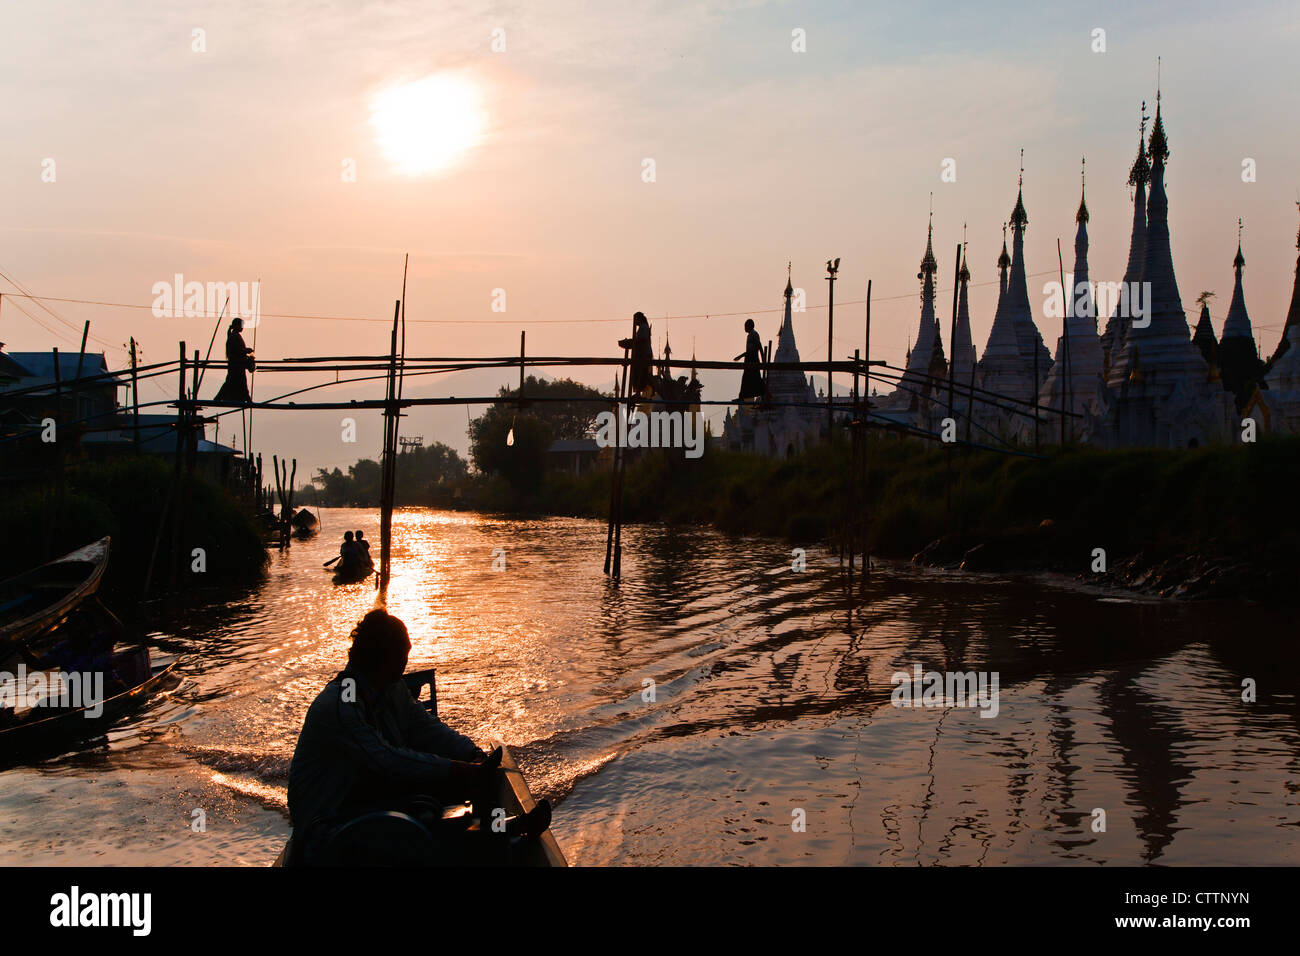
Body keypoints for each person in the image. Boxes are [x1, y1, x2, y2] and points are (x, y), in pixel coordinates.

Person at [286, 610, 551, 865]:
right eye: (401, 657)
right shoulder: (341, 703)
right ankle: (501, 831)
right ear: (381, 658)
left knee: (434, 803)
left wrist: (471, 754)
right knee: (416, 829)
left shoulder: (388, 686)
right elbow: (385, 760)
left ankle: (499, 828)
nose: (404, 665)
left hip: (365, 804)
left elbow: (424, 727)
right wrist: (458, 771)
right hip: (325, 831)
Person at [213, 317, 255, 404]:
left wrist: (246, 350)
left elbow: (237, 349)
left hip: (237, 364)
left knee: (232, 383)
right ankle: (247, 399)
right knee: (239, 383)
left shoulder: (234, 335)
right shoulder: (234, 336)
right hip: (236, 364)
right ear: (237, 326)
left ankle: (218, 398)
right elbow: (236, 350)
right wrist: (246, 350)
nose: (242, 328)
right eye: (241, 325)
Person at [618, 312, 654, 397]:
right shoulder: (643, 327)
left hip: (644, 354)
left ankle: (639, 393)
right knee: (638, 373)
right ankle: (638, 392)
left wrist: (633, 341)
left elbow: (642, 340)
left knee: (640, 374)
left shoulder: (644, 327)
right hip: (641, 354)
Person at [736, 318, 765, 402]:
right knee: (748, 378)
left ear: (749, 326)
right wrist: (741, 356)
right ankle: (743, 396)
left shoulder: (754, 334)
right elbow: (749, 350)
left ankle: (763, 393)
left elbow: (759, 346)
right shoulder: (749, 335)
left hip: (753, 359)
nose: (744, 328)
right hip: (749, 358)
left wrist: (763, 358)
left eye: (745, 326)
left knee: (750, 378)